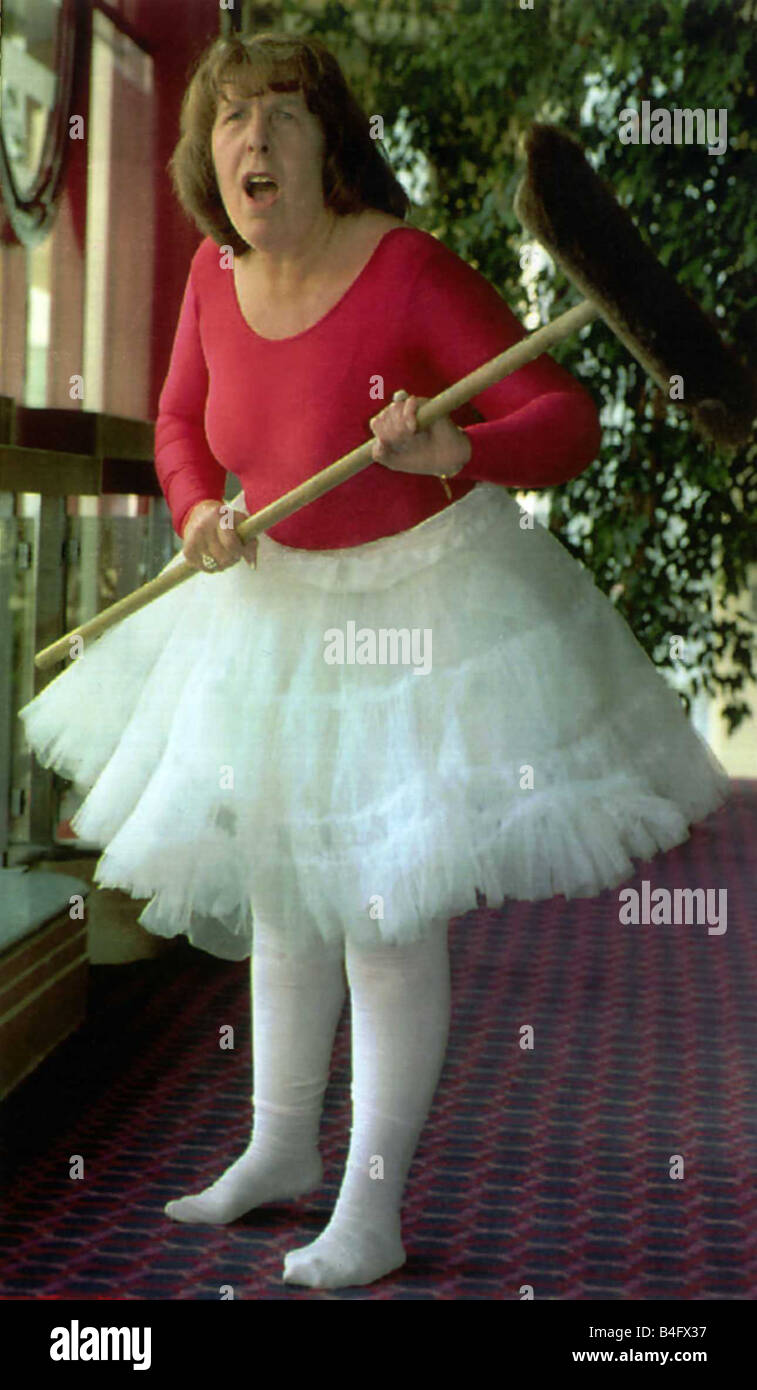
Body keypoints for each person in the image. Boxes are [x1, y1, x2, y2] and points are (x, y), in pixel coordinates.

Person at [18, 31, 730, 1291]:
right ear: (207, 155)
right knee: (286, 897)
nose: (255, 138)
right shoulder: (210, 275)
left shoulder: (405, 269)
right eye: (232, 117)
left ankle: (374, 1206)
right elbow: (178, 420)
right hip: (268, 611)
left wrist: (457, 447)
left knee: (385, 914)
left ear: (330, 144)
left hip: (418, 613)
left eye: (283, 114)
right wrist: (195, 509)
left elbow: (565, 418)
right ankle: (279, 1147)